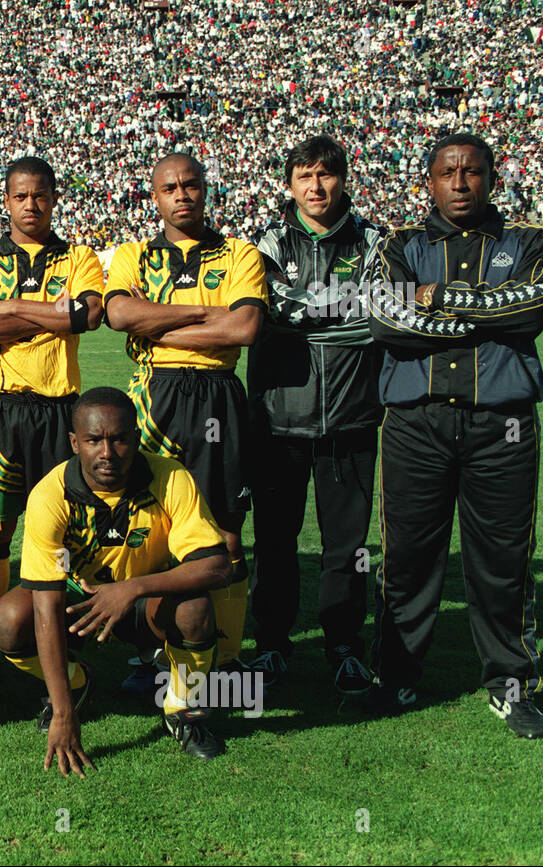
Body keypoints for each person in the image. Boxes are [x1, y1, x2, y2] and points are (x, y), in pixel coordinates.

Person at [366, 133, 543, 739]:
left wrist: (441, 300)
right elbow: (385, 317)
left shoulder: (530, 241)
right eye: (447, 172)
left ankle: (511, 683)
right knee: (407, 557)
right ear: (429, 181)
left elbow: (532, 306)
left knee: (502, 558)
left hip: (500, 426)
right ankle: (395, 675)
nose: (459, 182)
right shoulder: (399, 245)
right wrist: (485, 317)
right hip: (415, 426)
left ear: (491, 179)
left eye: (471, 172)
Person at [0, 388, 233, 769]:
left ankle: (184, 708)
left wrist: (132, 588)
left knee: (195, 607)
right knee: (9, 620)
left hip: (143, 598)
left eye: (119, 439)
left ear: (136, 438)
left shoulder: (170, 477)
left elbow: (218, 566)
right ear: (75, 442)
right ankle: (73, 684)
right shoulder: (49, 494)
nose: (107, 452)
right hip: (77, 601)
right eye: (94, 440)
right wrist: (62, 711)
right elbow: (46, 604)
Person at [104, 152, 266, 681]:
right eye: (170, 187)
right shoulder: (133, 254)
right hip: (154, 395)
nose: (182, 194)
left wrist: (158, 327)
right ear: (155, 196)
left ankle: (226, 654)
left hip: (217, 394)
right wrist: (205, 313)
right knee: (154, 520)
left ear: (205, 189)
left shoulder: (239, 253)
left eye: (191, 184)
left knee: (224, 525)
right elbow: (121, 315)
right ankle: (159, 649)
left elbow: (242, 329)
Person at [247, 135, 384, 693]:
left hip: (350, 420)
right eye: (305, 176)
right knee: (275, 541)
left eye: (326, 175)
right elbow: (269, 310)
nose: (316, 186)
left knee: (347, 548)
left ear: (343, 178)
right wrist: (343, 304)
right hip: (279, 421)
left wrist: (307, 308)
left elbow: (380, 316)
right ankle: (273, 645)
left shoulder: (374, 240)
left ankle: (345, 646)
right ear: (290, 184)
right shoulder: (268, 243)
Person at [0, 156, 105, 606]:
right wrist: (55, 316)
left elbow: (89, 315)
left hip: (60, 411)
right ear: (6, 201)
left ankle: (57, 626)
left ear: (55, 198)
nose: (31, 205)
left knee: (60, 527)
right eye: (20, 196)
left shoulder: (77, 256)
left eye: (40, 195)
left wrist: (12, 306)